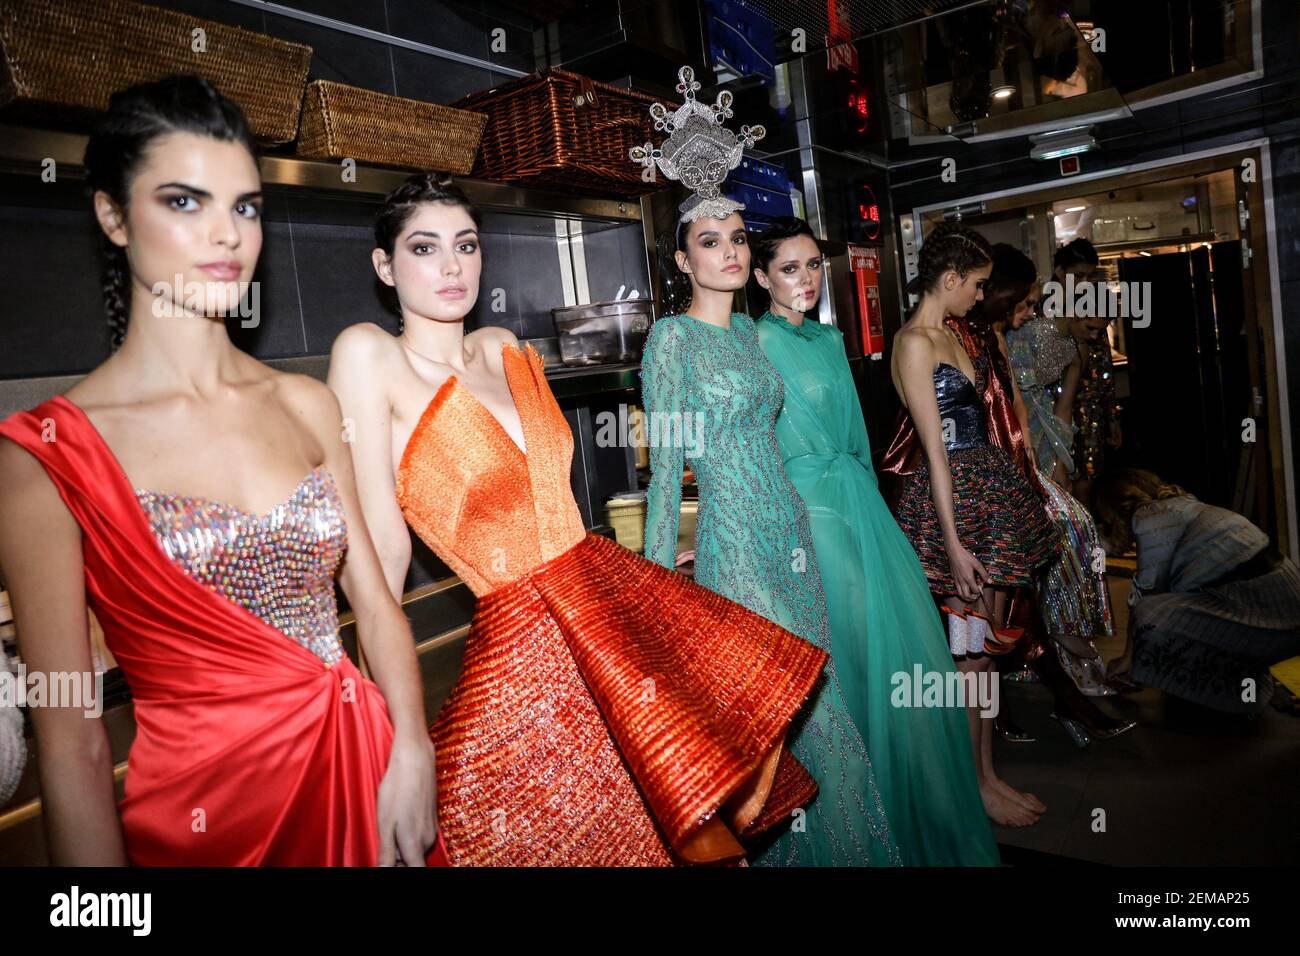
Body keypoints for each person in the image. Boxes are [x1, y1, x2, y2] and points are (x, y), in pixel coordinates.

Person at [328, 171, 828, 866]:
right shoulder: (368, 356)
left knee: (702, 831)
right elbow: (379, 552)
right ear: (384, 266)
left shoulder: (505, 344)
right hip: (525, 643)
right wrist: (380, 725)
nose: (451, 266)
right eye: (423, 248)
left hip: (606, 602)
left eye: (466, 245)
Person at [0, 76, 437, 866]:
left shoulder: (305, 404)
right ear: (111, 215)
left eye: (244, 206)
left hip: (367, 780)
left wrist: (412, 751)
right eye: (183, 202)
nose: (227, 234)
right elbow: (73, 748)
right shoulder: (48, 455)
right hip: (215, 826)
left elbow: (375, 604)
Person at [635, 66, 898, 865]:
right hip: (736, 549)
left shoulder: (754, 337)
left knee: (823, 709)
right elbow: (665, 469)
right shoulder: (670, 341)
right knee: (768, 712)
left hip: (792, 538)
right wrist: (654, 590)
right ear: (682, 260)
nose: (726, 251)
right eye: (708, 241)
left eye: (736, 238)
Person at [751, 217, 998, 865]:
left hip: (857, 506)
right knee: (851, 660)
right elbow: (755, 452)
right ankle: (854, 828)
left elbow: (859, 439)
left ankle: (905, 818)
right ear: (760, 277)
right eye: (788, 269)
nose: (804, 280)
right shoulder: (753, 344)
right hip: (809, 520)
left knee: (905, 660)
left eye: (812, 267)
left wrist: (875, 510)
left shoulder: (832, 340)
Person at [883, 221, 1059, 828]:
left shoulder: (954, 334)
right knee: (966, 659)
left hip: (986, 495)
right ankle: (968, 789)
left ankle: (985, 776)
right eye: (978, 285)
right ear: (950, 279)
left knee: (982, 654)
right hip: (951, 508)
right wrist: (954, 545)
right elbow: (933, 451)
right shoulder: (914, 343)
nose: (982, 297)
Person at [1092, 469, 1300, 715]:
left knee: (1151, 616)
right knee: (1175, 611)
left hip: (1267, 607)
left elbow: (1144, 594)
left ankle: (1235, 695)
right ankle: (1249, 686)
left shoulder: (1148, 518)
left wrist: (1128, 659)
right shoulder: (1183, 505)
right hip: (1282, 597)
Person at [1047, 239, 1119, 502]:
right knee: (1058, 479)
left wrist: (1111, 415)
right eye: (1078, 275)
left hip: (1089, 409)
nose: (1084, 282)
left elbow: (1103, 364)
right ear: (1059, 272)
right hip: (1054, 409)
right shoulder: (1043, 311)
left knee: (1087, 478)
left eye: (1089, 276)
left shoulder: (1097, 304)